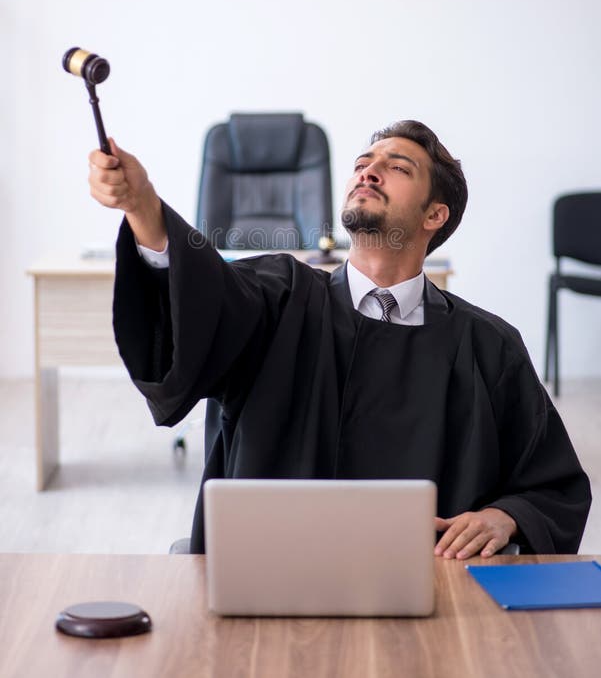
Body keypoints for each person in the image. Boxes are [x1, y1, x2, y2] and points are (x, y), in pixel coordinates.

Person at [88, 120, 591, 557]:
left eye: (398, 167)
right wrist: (144, 209)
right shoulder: (279, 299)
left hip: (436, 603)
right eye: (363, 162)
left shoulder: (489, 347)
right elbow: (204, 297)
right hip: (266, 584)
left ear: (434, 215)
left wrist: (508, 516)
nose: (368, 171)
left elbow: (552, 485)